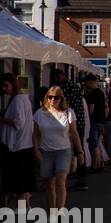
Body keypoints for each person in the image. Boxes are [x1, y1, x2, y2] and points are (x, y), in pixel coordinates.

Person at [32, 86, 82, 210]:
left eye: (56, 97)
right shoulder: (39, 113)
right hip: (45, 151)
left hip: (63, 151)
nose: (53, 100)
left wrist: (80, 151)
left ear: (61, 98)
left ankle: (60, 210)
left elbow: (74, 133)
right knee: (49, 184)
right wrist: (36, 149)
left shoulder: (69, 112)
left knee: (60, 182)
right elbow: (35, 134)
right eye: (50, 97)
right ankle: (52, 210)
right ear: (47, 98)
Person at [0, 73, 36, 207]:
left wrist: (2, 119)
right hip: (21, 146)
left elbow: (18, 122)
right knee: (22, 183)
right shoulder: (21, 99)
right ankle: (25, 207)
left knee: (17, 183)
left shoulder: (18, 100)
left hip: (17, 147)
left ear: (13, 84)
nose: (4, 89)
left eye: (6, 85)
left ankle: (20, 210)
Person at [82, 74, 107, 173]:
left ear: (90, 82)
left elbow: (90, 110)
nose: (86, 84)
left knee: (94, 144)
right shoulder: (101, 92)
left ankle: (95, 165)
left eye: (87, 82)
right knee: (98, 143)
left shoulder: (93, 94)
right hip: (101, 121)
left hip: (95, 121)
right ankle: (100, 163)